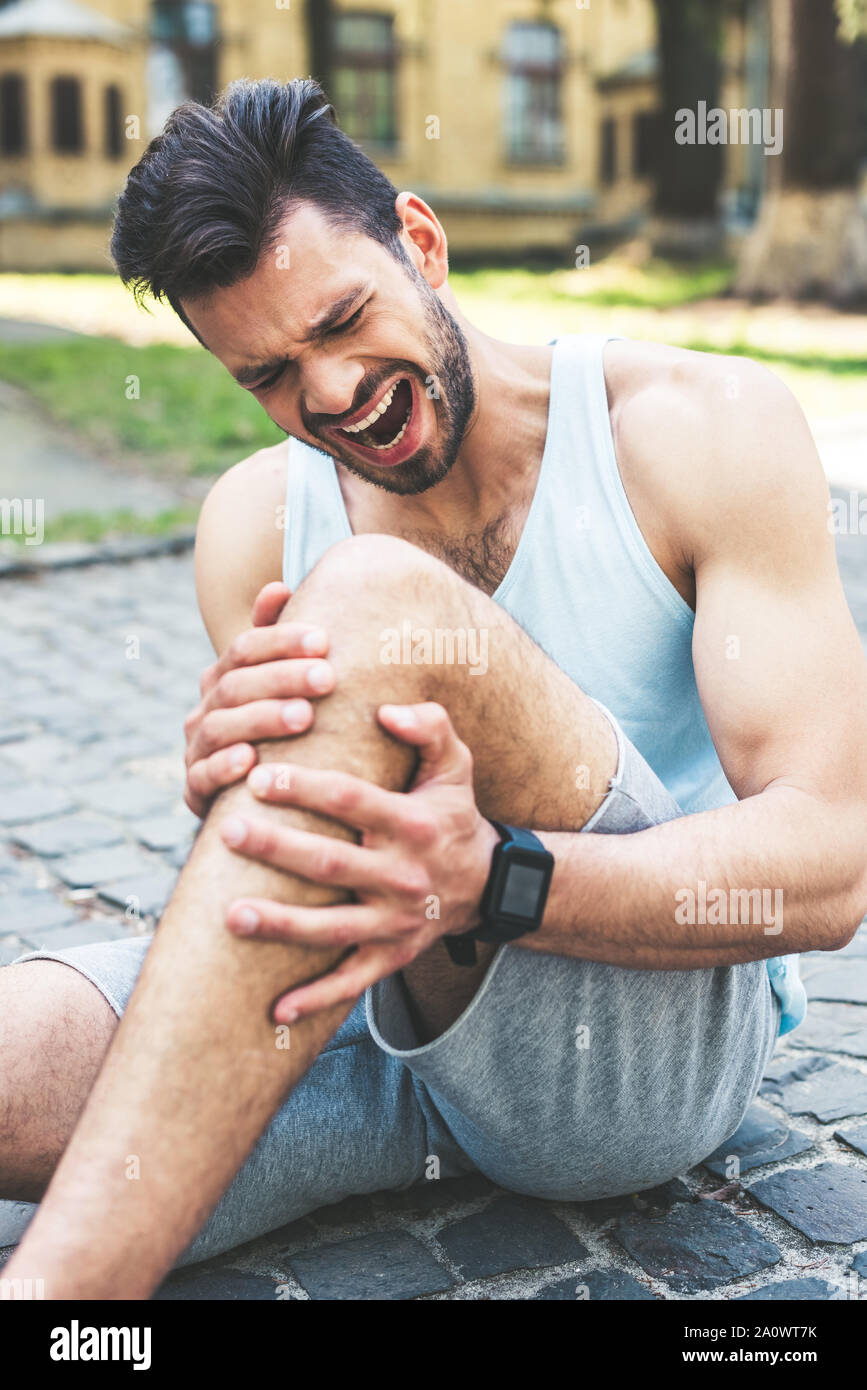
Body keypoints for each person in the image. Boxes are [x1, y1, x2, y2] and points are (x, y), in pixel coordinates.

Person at [2, 78, 865, 1301]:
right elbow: (307, 895)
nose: (333, 393)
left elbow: (832, 861)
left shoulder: (694, 431)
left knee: (372, 598)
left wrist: (494, 883)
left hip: (633, 1047)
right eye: (269, 375)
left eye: (346, 318)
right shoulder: (252, 524)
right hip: (384, 1038)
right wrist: (239, 803)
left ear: (422, 240)